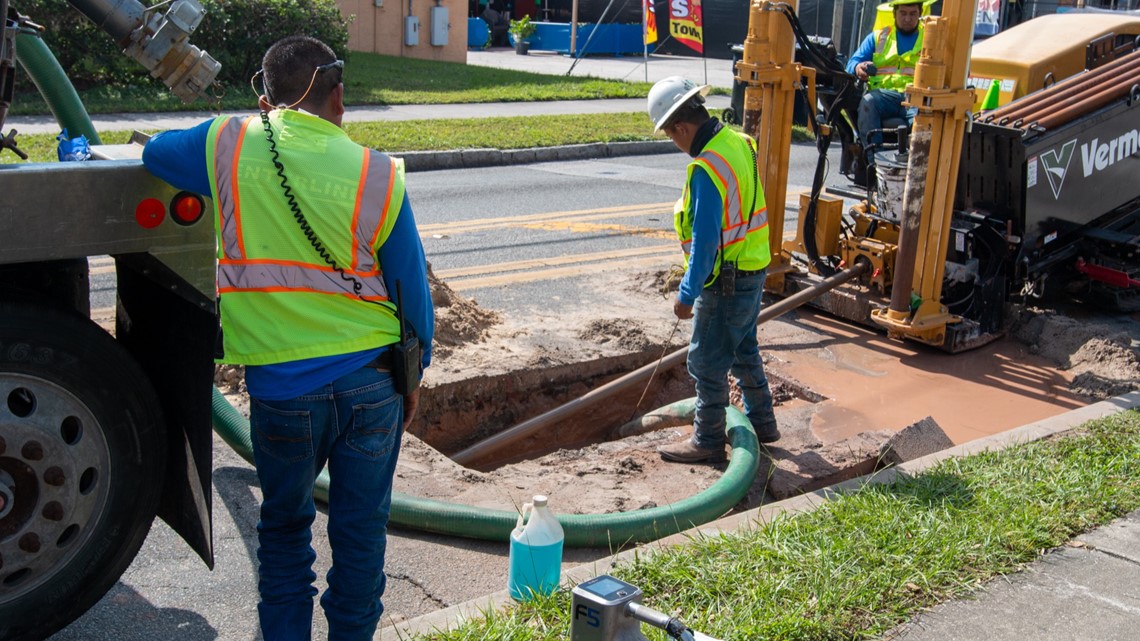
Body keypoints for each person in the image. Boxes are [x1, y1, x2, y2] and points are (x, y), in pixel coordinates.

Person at [142, 35, 433, 641]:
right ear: (340, 94)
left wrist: (255, 123)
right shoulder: (377, 173)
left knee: (283, 536)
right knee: (360, 538)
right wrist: (413, 377)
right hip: (373, 382)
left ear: (265, 93)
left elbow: (158, 156)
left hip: (281, 390)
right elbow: (412, 296)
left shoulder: (228, 142)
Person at [646, 76, 779, 464]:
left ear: (681, 128)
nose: (676, 144)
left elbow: (705, 244)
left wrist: (686, 295)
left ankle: (706, 439)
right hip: (753, 268)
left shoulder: (707, 168)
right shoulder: (739, 142)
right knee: (743, 348)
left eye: (673, 137)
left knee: (706, 361)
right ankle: (764, 423)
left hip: (724, 280)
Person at [845, 0, 928, 148]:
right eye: (903, 13)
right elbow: (851, 64)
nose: (907, 19)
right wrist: (859, 67)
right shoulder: (877, 37)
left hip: (915, 98)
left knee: (925, 118)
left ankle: (916, 163)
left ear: (920, 14)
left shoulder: (930, 40)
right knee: (868, 102)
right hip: (883, 97)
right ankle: (873, 160)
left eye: (913, 14)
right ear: (894, 13)